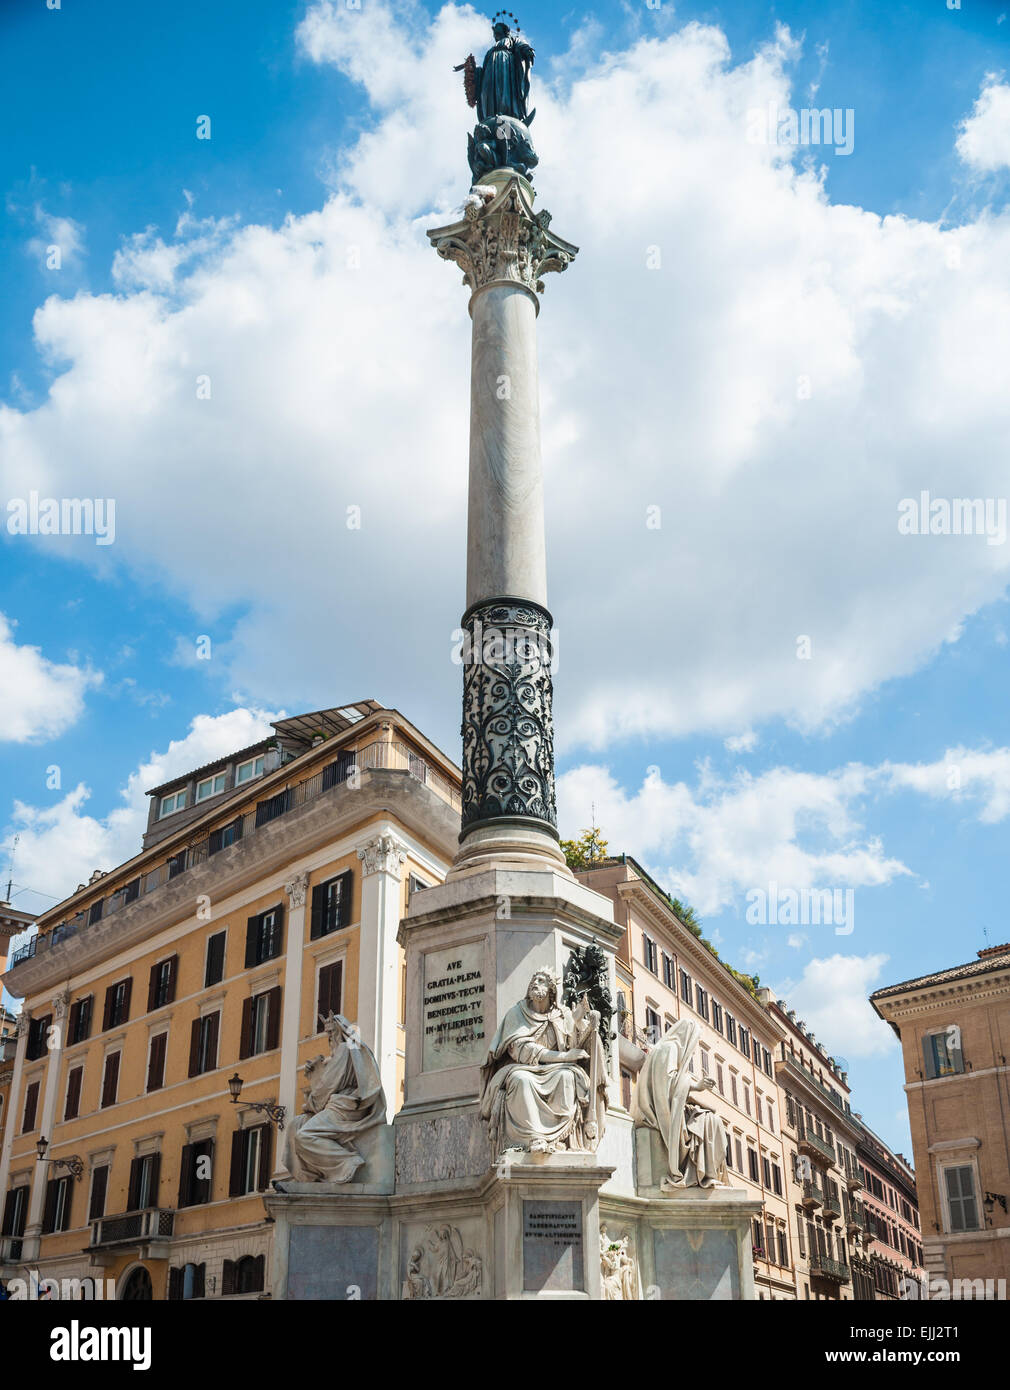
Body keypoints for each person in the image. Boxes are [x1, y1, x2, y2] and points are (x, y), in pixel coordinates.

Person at [479, 968, 607, 1156]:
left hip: (558, 1069)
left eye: (541, 980)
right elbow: (521, 1050)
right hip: (524, 1067)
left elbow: (573, 1041)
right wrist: (565, 1057)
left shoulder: (561, 1014)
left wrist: (581, 1022)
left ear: (551, 990)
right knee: (521, 1080)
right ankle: (534, 1138)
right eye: (534, 979)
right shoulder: (517, 1013)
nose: (535, 983)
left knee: (567, 1077)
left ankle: (557, 1140)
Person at [633, 1016, 729, 1189]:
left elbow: (670, 1085)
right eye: (694, 1041)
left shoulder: (666, 1048)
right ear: (688, 1037)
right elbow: (668, 1084)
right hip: (658, 1113)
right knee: (711, 1122)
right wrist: (697, 1085)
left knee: (709, 1120)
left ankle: (708, 1174)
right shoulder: (669, 1049)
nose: (692, 1050)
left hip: (668, 1107)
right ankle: (705, 1175)